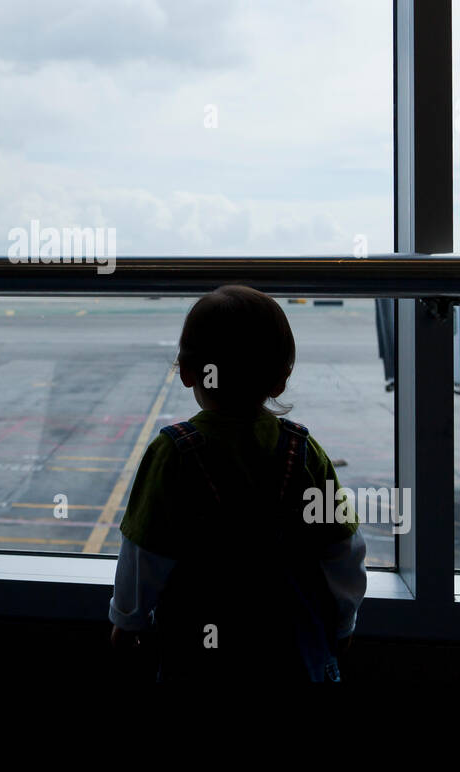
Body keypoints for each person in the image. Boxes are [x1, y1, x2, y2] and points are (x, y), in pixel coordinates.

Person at [108, 285, 367, 681]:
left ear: (187, 372)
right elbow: (342, 550)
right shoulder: (304, 452)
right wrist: (344, 625)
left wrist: (127, 622)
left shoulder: (172, 454)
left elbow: (143, 556)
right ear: (280, 380)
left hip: (198, 660)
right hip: (291, 655)